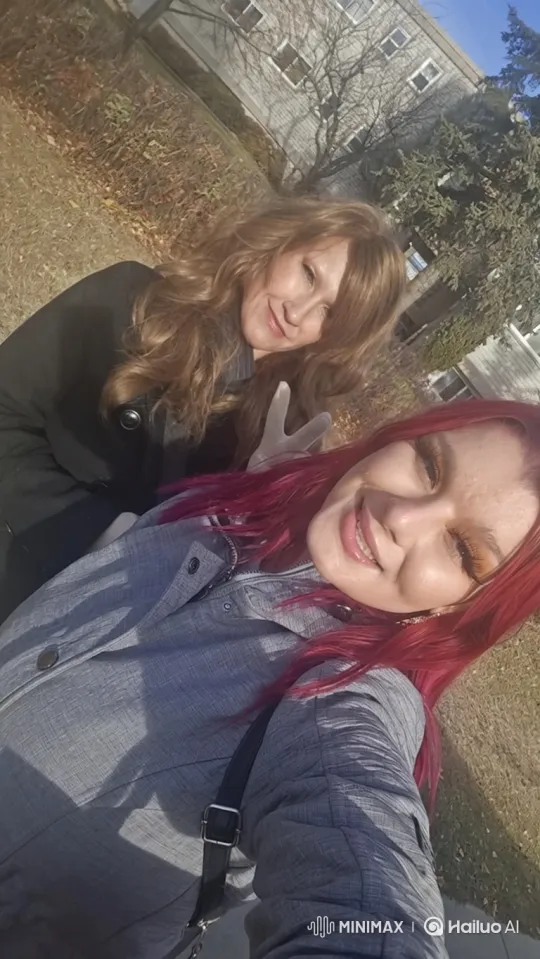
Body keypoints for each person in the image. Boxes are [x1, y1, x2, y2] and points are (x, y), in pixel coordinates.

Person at [2, 397, 539, 958]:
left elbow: (364, 872)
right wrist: (258, 483)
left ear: (462, 609)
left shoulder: (346, 700)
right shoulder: (241, 511)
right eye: (429, 465)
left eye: (462, 549)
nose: (402, 517)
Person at [0, 196, 405, 622]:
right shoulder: (130, 302)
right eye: (308, 275)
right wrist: (95, 531)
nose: (297, 312)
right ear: (279, 242)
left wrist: (259, 512)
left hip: (90, 642)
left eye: (329, 313)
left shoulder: (287, 432)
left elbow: (244, 594)